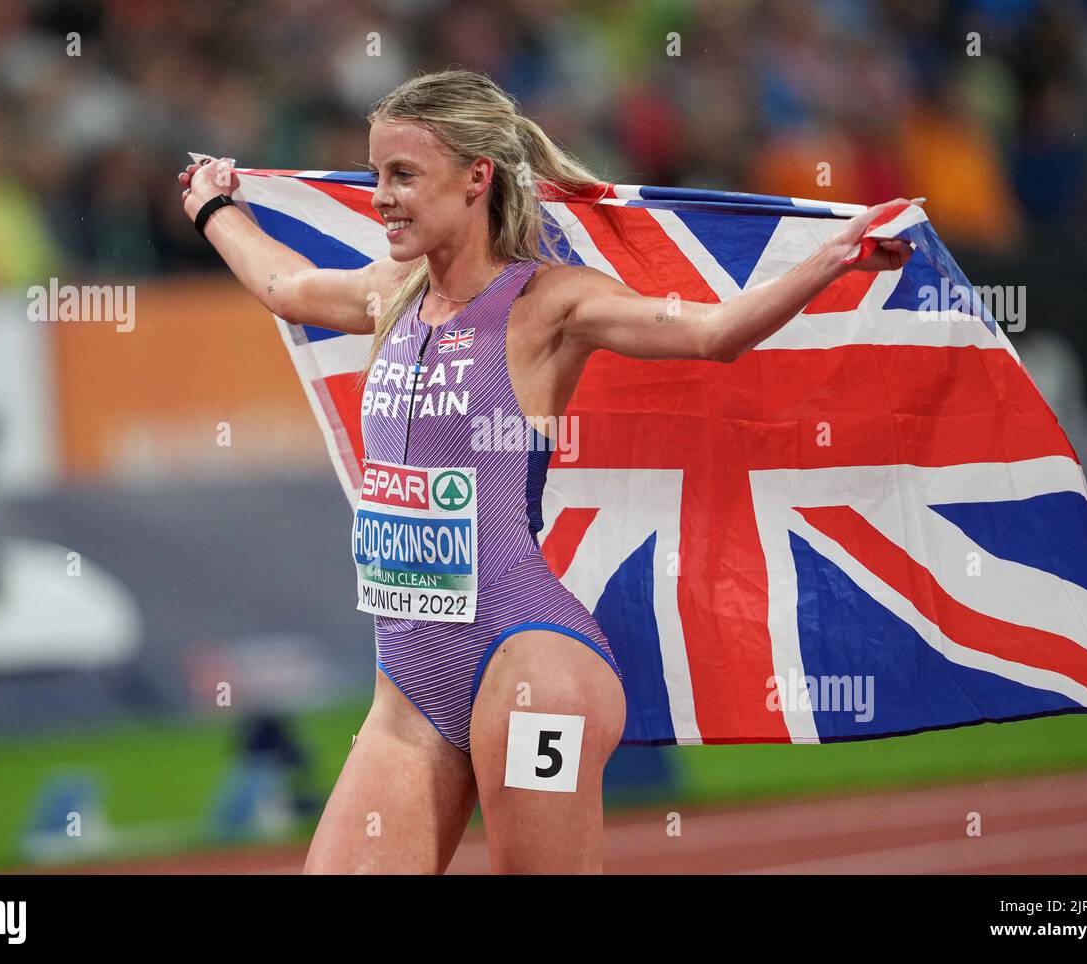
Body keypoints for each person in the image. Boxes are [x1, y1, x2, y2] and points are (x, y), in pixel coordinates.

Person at [178, 69, 916, 874]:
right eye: (377, 172)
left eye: (401, 175)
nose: (380, 196)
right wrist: (215, 206)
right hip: (409, 693)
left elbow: (712, 334)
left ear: (476, 180)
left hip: (535, 670)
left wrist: (831, 259)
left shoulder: (549, 306)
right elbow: (284, 286)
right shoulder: (390, 294)